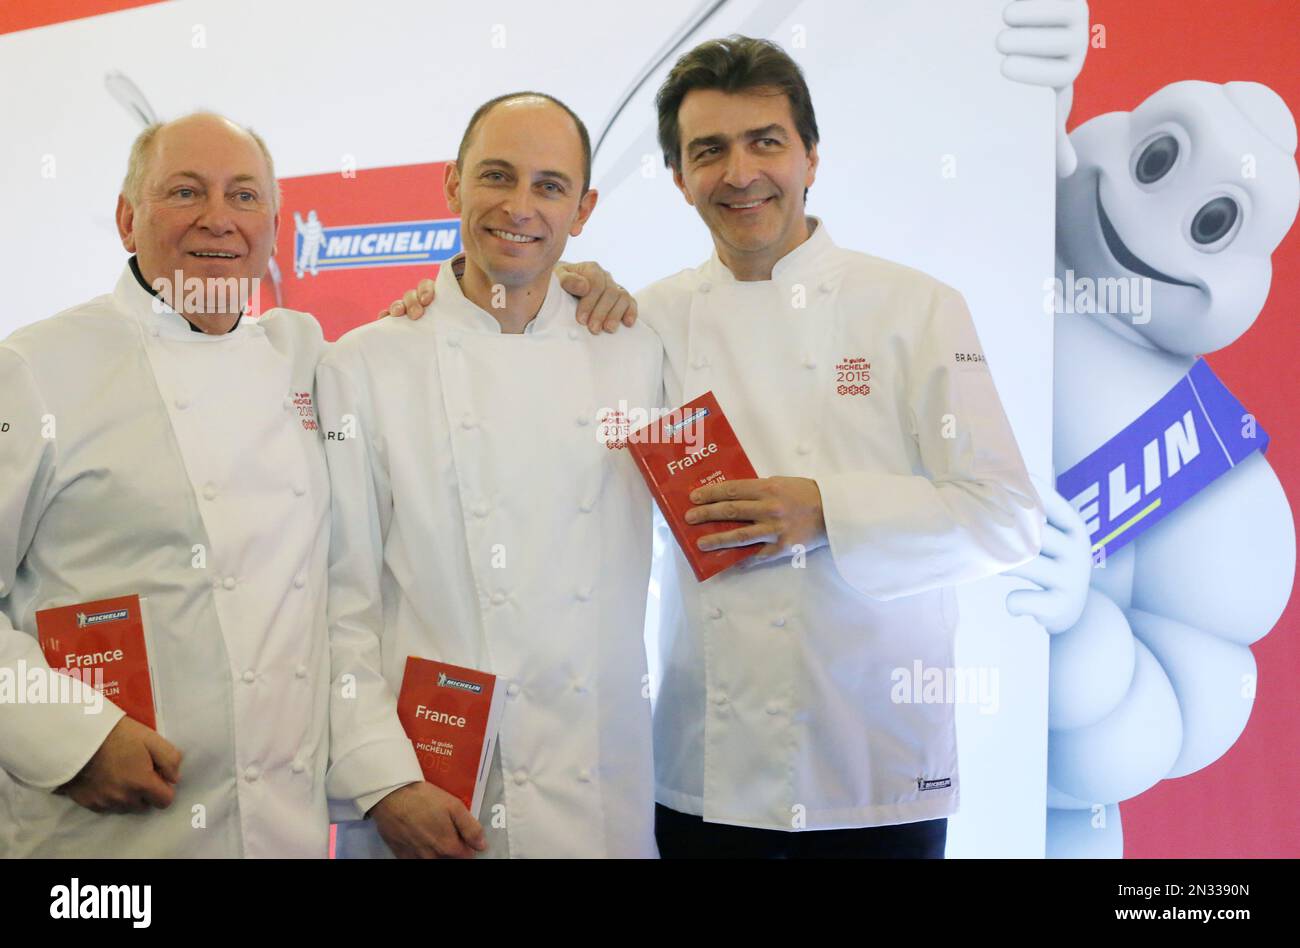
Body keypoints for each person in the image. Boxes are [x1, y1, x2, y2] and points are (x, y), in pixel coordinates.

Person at [388, 37, 1045, 859]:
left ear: (811, 156)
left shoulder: (915, 309)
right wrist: (435, 303)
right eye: (709, 152)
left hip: (874, 772)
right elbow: (506, 341)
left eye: (765, 141)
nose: (739, 174)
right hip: (705, 775)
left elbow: (1009, 518)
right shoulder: (645, 322)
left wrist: (827, 511)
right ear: (678, 178)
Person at [0, 110, 635, 858]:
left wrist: (570, 281)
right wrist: (66, 737)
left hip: (281, 826)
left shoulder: (301, 355)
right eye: (184, 192)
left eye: (244, 197)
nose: (218, 220)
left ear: (273, 227)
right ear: (126, 218)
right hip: (107, 839)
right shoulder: (35, 370)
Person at [318, 91, 663, 858]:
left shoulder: (638, 352)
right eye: (496, 177)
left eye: (549, 186)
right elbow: (341, 604)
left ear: (585, 208)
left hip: (596, 788)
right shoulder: (365, 366)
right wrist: (383, 781)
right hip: (432, 795)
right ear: (452, 184)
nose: (519, 206)